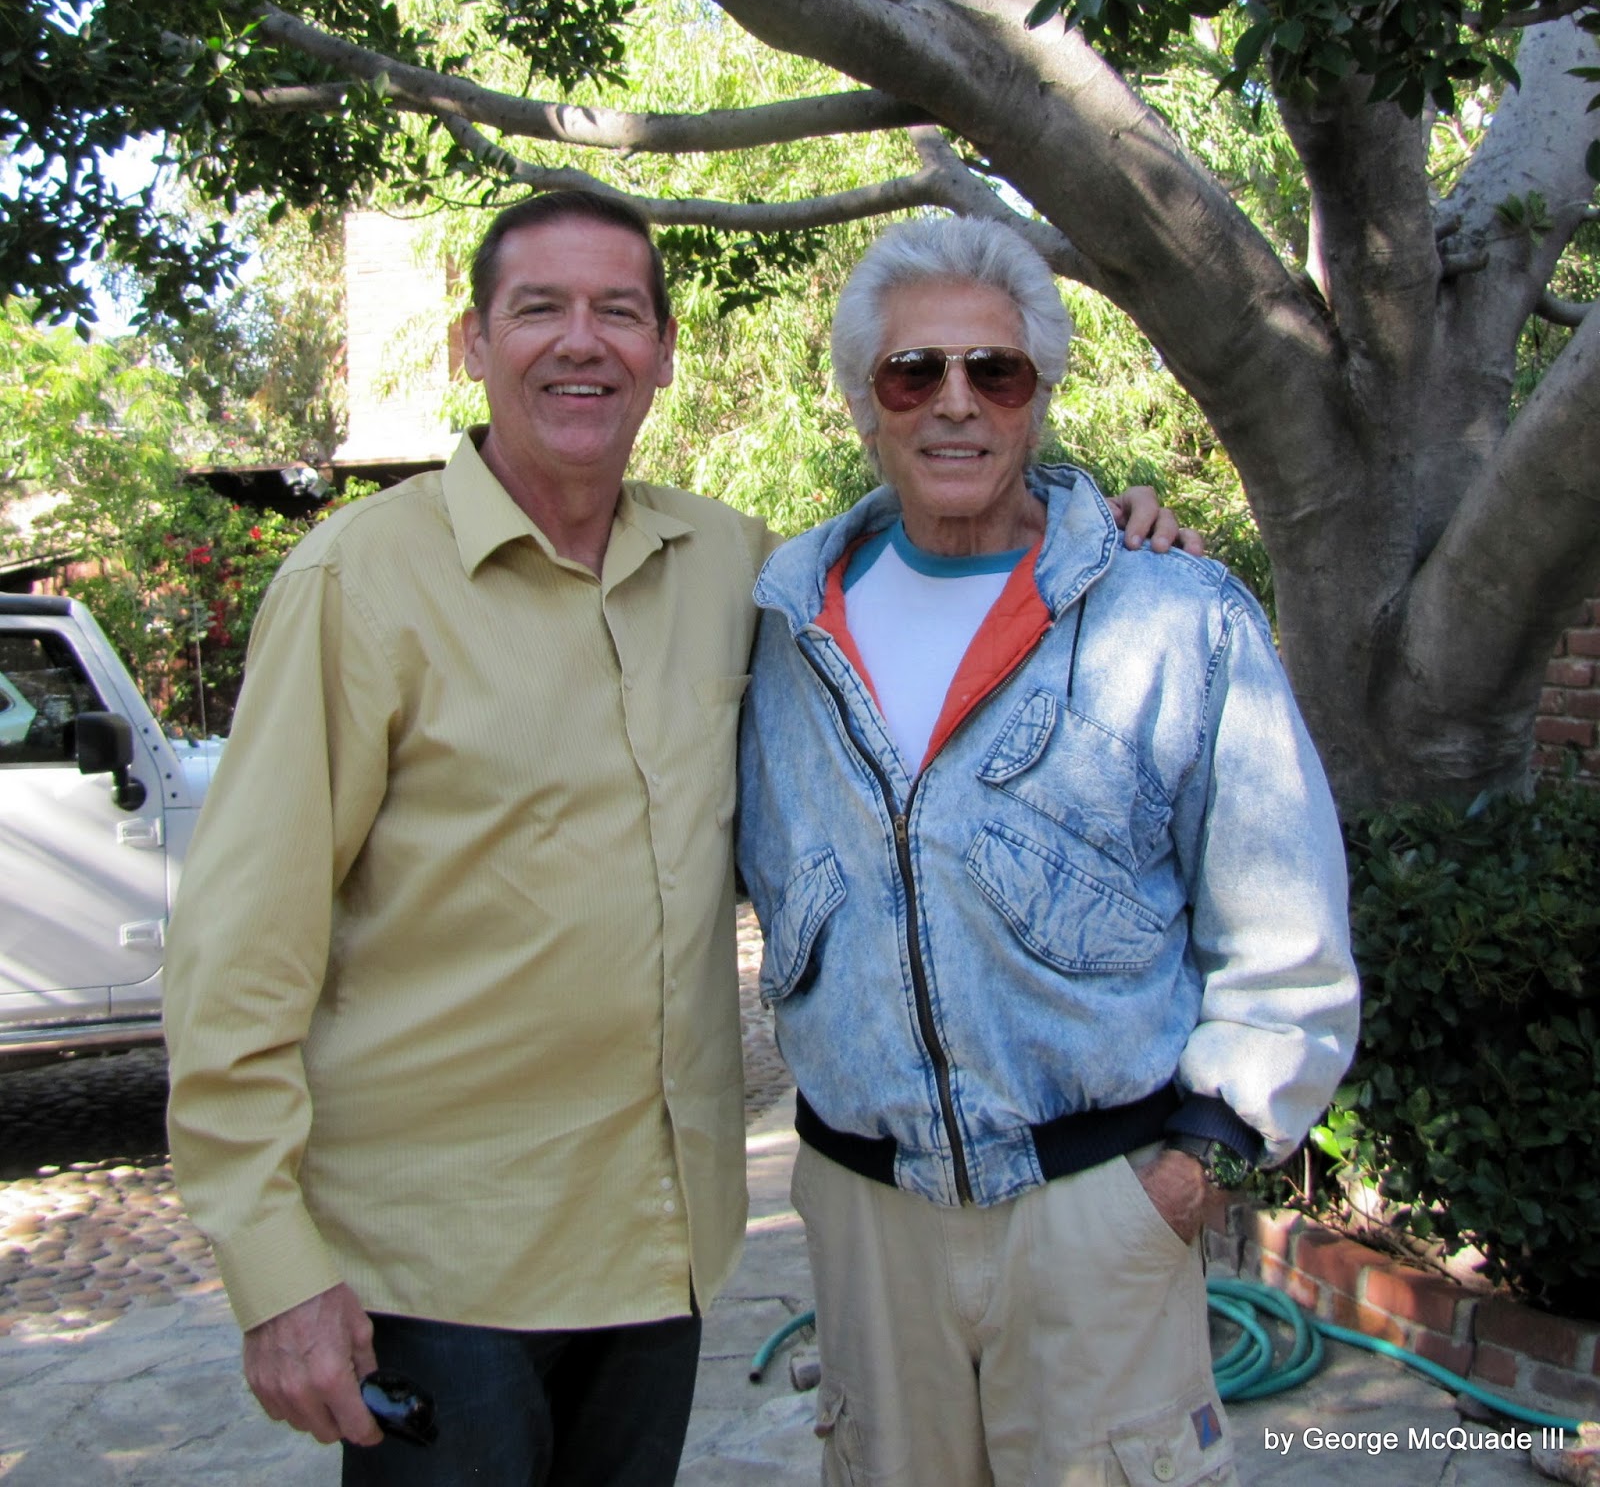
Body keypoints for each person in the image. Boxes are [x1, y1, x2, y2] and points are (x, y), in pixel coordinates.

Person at [163, 192, 1190, 1487]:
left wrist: (1113, 534)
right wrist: (272, 1270)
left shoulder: (740, 572)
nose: (581, 342)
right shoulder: (355, 589)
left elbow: (945, 533)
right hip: (438, 1265)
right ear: (470, 348)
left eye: (619, 313)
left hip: (657, 1258)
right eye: (539, 309)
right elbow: (236, 954)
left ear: (661, 354)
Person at [736, 216, 1361, 1487]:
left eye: (994, 371)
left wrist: (1195, 1166)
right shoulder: (772, 634)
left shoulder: (1174, 615)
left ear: (1040, 395)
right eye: (916, 372)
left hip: (1103, 1209)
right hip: (868, 1226)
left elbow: (1283, 930)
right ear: (866, 399)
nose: (954, 403)